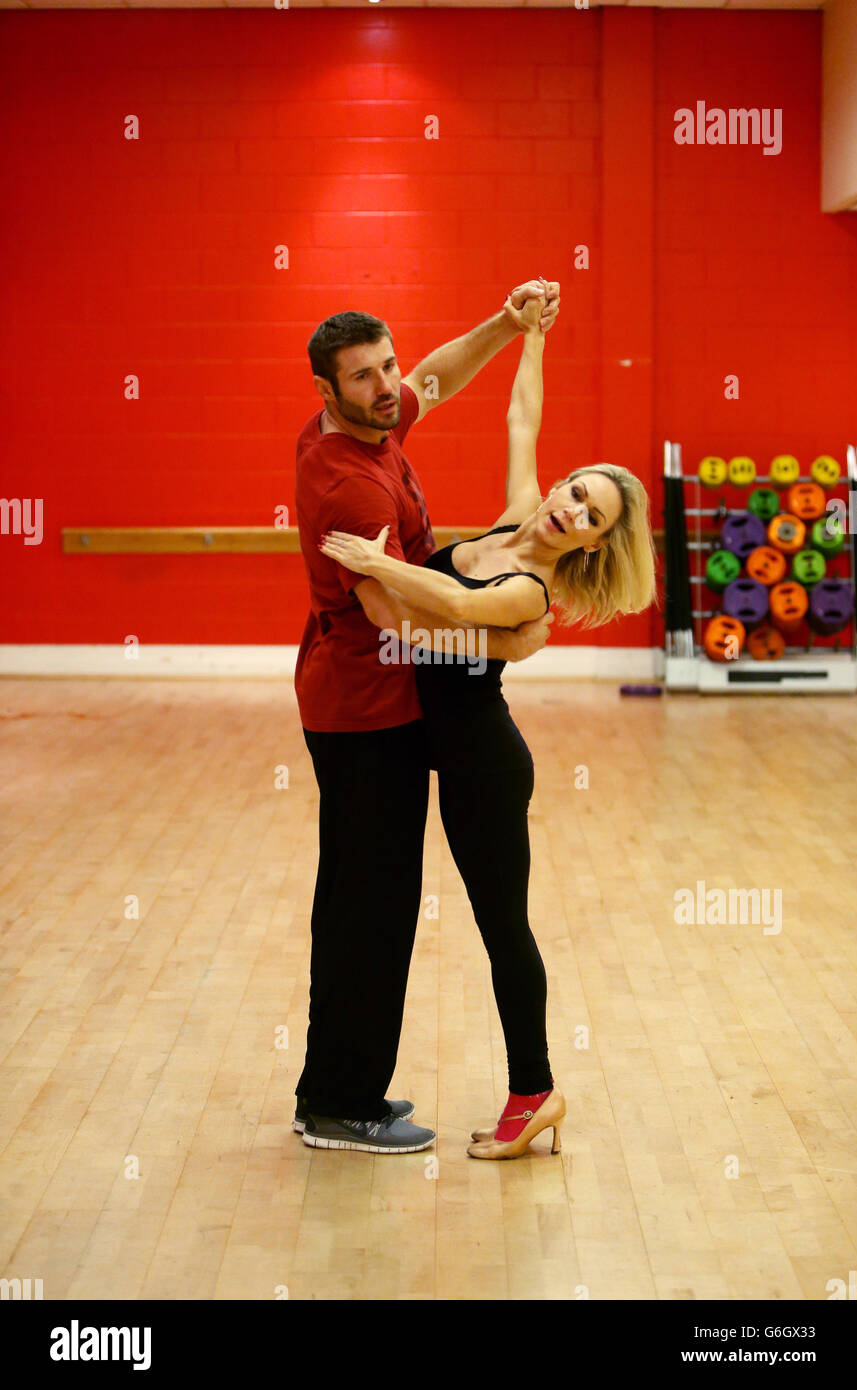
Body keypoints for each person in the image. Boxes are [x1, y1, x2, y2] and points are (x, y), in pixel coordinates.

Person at [319, 288, 658, 1158]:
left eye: (590, 517)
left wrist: (376, 563)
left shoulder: (530, 591)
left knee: (501, 923)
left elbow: (442, 597)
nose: (570, 509)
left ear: (590, 545)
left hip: (480, 759)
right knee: (436, 906)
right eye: (577, 490)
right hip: (423, 733)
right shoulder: (518, 511)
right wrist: (531, 335)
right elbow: (521, 418)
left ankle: (534, 1092)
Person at [293, 278, 561, 1154]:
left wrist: (505, 320)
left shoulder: (367, 424)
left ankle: (346, 1085)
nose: (387, 386)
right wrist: (507, 643)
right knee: (368, 906)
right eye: (364, 377)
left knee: (369, 900)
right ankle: (339, 1104)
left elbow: (438, 380)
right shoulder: (349, 488)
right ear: (325, 392)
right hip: (367, 712)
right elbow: (394, 618)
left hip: (377, 701)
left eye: (387, 367)